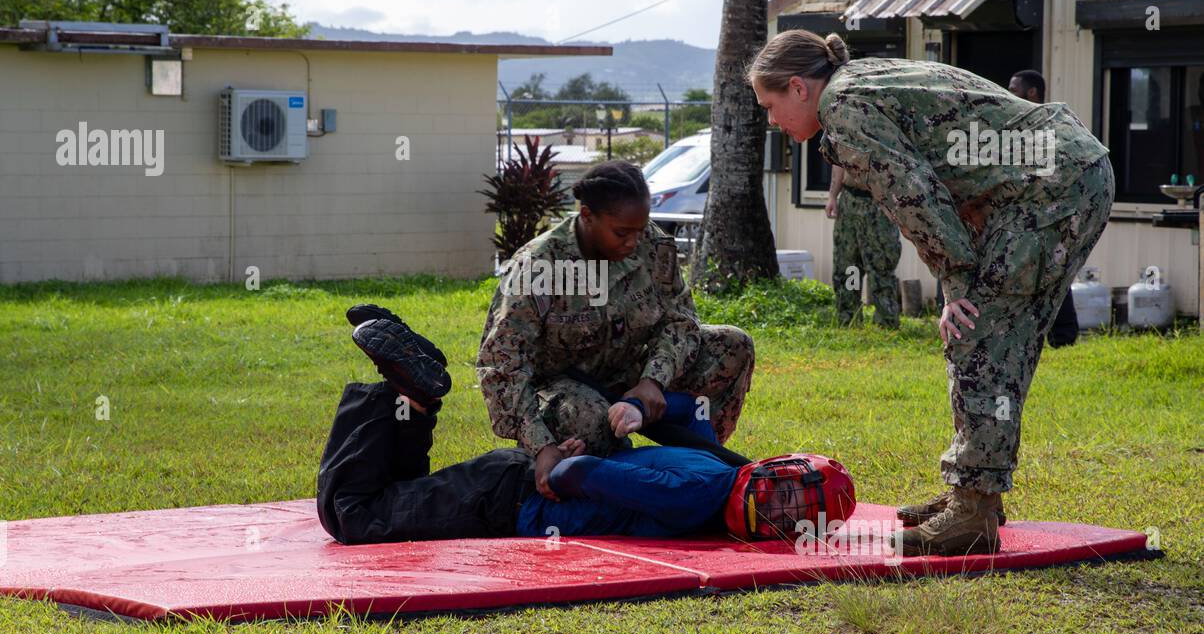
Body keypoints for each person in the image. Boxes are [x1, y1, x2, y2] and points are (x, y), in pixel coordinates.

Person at [747, 31, 1113, 556]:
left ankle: (974, 510)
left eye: (771, 104)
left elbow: (915, 198)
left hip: (1051, 183)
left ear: (800, 88)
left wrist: (956, 282)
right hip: (1058, 172)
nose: (772, 121)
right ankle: (974, 492)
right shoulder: (860, 81)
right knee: (994, 337)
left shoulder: (844, 106)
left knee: (977, 332)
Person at [317, 306, 850, 544]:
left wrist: (639, 412)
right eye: (785, 499)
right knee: (353, 517)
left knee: (399, 496)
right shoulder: (698, 494)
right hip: (514, 499)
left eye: (789, 511)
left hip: (514, 482)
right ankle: (407, 397)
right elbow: (594, 475)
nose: (776, 509)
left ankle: (411, 401)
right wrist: (566, 464)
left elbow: (689, 417)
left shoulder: (719, 463)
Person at [476, 160, 756, 502]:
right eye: (622, 232)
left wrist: (653, 379)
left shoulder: (652, 245)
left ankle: (699, 468)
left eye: (639, 230)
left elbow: (681, 322)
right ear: (587, 215)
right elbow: (501, 365)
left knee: (732, 346)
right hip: (560, 388)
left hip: (630, 374)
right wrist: (542, 446)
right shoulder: (540, 265)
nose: (633, 242)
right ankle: (605, 477)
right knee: (589, 417)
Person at [1008, 69, 1078, 348]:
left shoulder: (1050, 123)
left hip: (1050, 212)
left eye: (1014, 89)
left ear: (1032, 92)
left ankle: (1064, 335)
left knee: (1055, 271)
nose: (1009, 93)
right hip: (1027, 214)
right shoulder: (1020, 124)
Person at [826, 162, 902, 328]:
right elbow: (838, 162)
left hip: (880, 204)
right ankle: (848, 320)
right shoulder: (843, 136)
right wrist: (832, 195)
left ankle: (886, 323)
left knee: (881, 266)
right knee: (848, 267)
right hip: (849, 201)